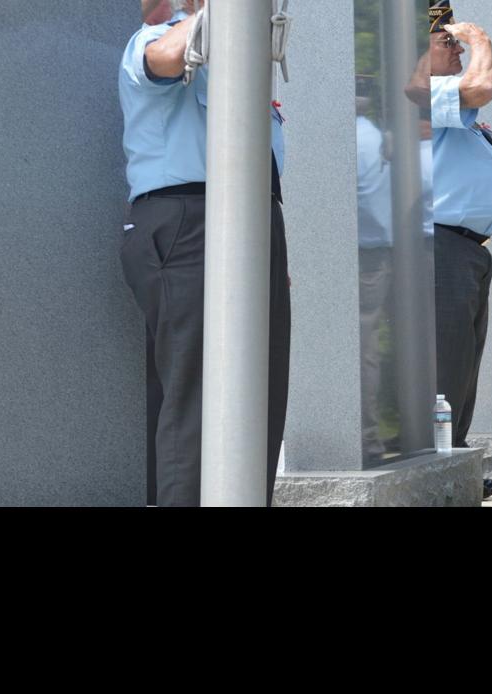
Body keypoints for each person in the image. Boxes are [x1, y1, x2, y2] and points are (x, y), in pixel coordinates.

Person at [118, 0, 291, 506]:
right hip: (188, 221)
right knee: (196, 396)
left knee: (262, 390)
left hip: (253, 219)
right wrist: (219, 10)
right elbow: (164, 58)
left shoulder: (240, 53)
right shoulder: (157, 37)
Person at [411, 3, 492, 453]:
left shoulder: (442, 99)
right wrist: (482, 42)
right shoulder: (414, 91)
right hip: (438, 245)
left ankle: (454, 456)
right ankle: (436, 458)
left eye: (459, 42)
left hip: (464, 249)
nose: (458, 50)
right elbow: (481, 88)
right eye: (446, 42)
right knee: (445, 364)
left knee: (462, 363)